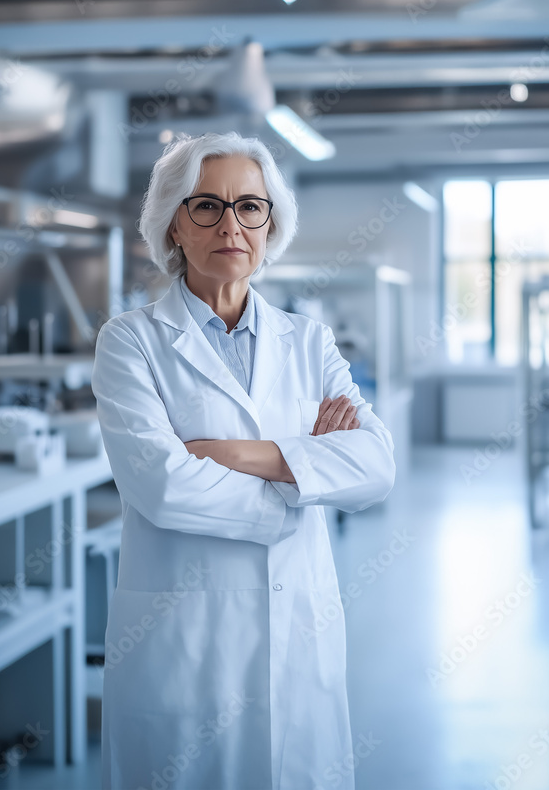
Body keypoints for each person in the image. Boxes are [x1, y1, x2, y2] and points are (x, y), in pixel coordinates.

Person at [92, 130, 395, 790]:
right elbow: (164, 487)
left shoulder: (307, 341)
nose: (231, 224)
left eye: (249, 206)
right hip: (186, 645)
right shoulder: (130, 343)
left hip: (298, 637)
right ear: (173, 223)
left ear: (270, 222)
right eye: (207, 206)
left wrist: (231, 455)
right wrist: (304, 473)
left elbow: (374, 464)